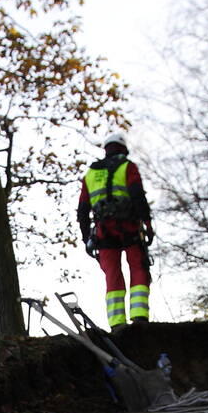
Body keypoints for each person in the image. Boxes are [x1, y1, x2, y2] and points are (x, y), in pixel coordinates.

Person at [78, 130, 155, 331]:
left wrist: (87, 238)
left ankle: (117, 323)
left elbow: (83, 210)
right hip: (128, 227)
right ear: (123, 149)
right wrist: (147, 224)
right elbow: (138, 196)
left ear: (106, 150)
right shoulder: (128, 167)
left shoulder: (91, 174)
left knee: (112, 274)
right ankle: (139, 317)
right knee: (138, 267)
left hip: (103, 231)